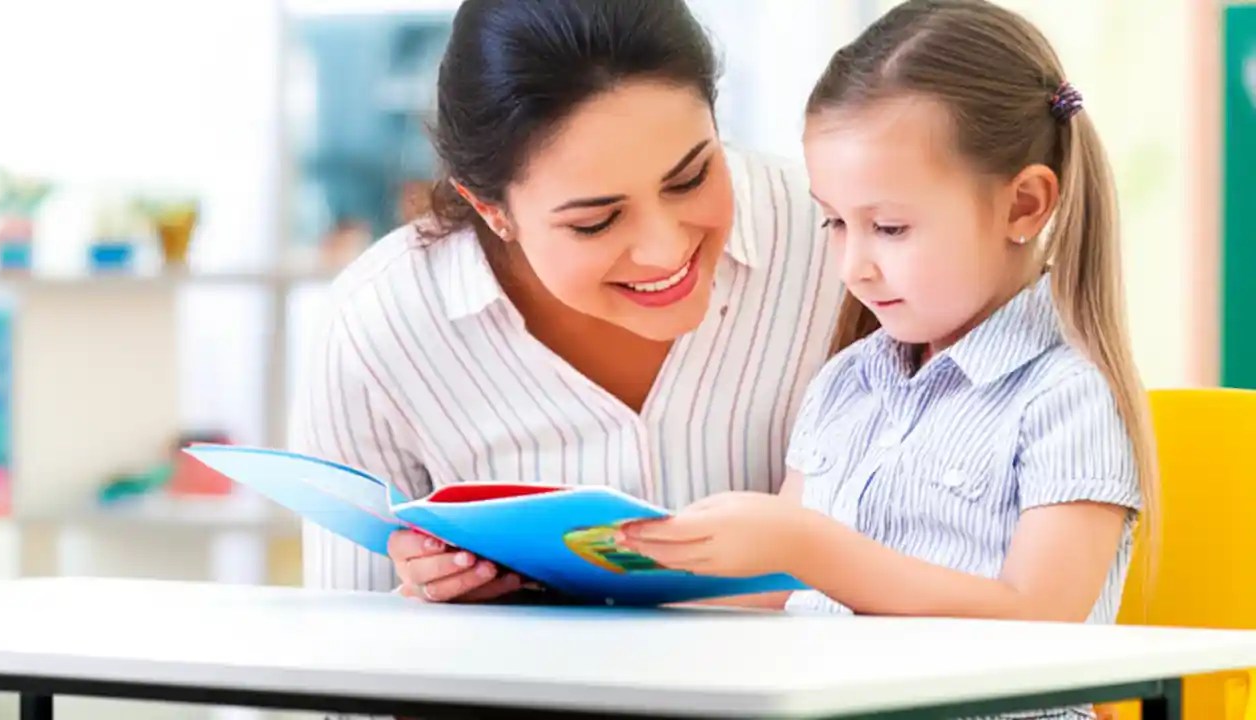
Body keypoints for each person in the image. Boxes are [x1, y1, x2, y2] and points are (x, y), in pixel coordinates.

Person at [623, 1, 1157, 713]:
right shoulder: (847, 384)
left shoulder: (1066, 396)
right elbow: (773, 590)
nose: (853, 266)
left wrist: (810, 550)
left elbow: (1040, 621)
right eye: (837, 223)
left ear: (1025, 205)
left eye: (891, 227)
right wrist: (604, 572)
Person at [290, 0, 840, 603]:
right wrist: (423, 622)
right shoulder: (379, 329)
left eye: (690, 179)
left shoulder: (836, 240)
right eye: (596, 222)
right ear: (491, 210)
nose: (664, 251)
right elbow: (349, 676)